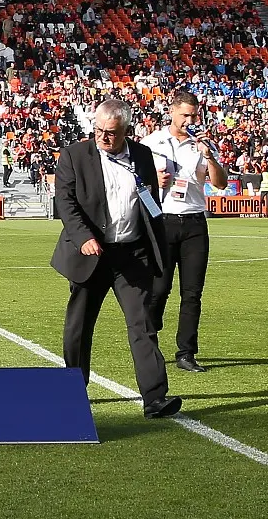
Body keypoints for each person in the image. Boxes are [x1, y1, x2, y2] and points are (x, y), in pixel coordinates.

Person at [51, 98, 181, 419]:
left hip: (132, 255)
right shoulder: (74, 156)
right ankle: (73, 390)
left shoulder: (142, 155)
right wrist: (84, 238)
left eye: (111, 132)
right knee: (79, 326)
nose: (103, 137)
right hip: (92, 253)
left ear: (126, 130)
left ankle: (155, 398)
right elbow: (66, 203)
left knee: (143, 325)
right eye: (98, 130)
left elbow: (148, 201)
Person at [142, 89, 228, 373]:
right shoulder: (151, 142)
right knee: (159, 289)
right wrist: (153, 180)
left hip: (194, 222)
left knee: (192, 293)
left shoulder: (202, 145)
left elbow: (220, 184)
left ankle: (186, 353)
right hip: (162, 220)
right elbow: (134, 182)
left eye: (193, 115)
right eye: (184, 115)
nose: (189, 121)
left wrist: (210, 158)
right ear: (172, 111)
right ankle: (149, 340)